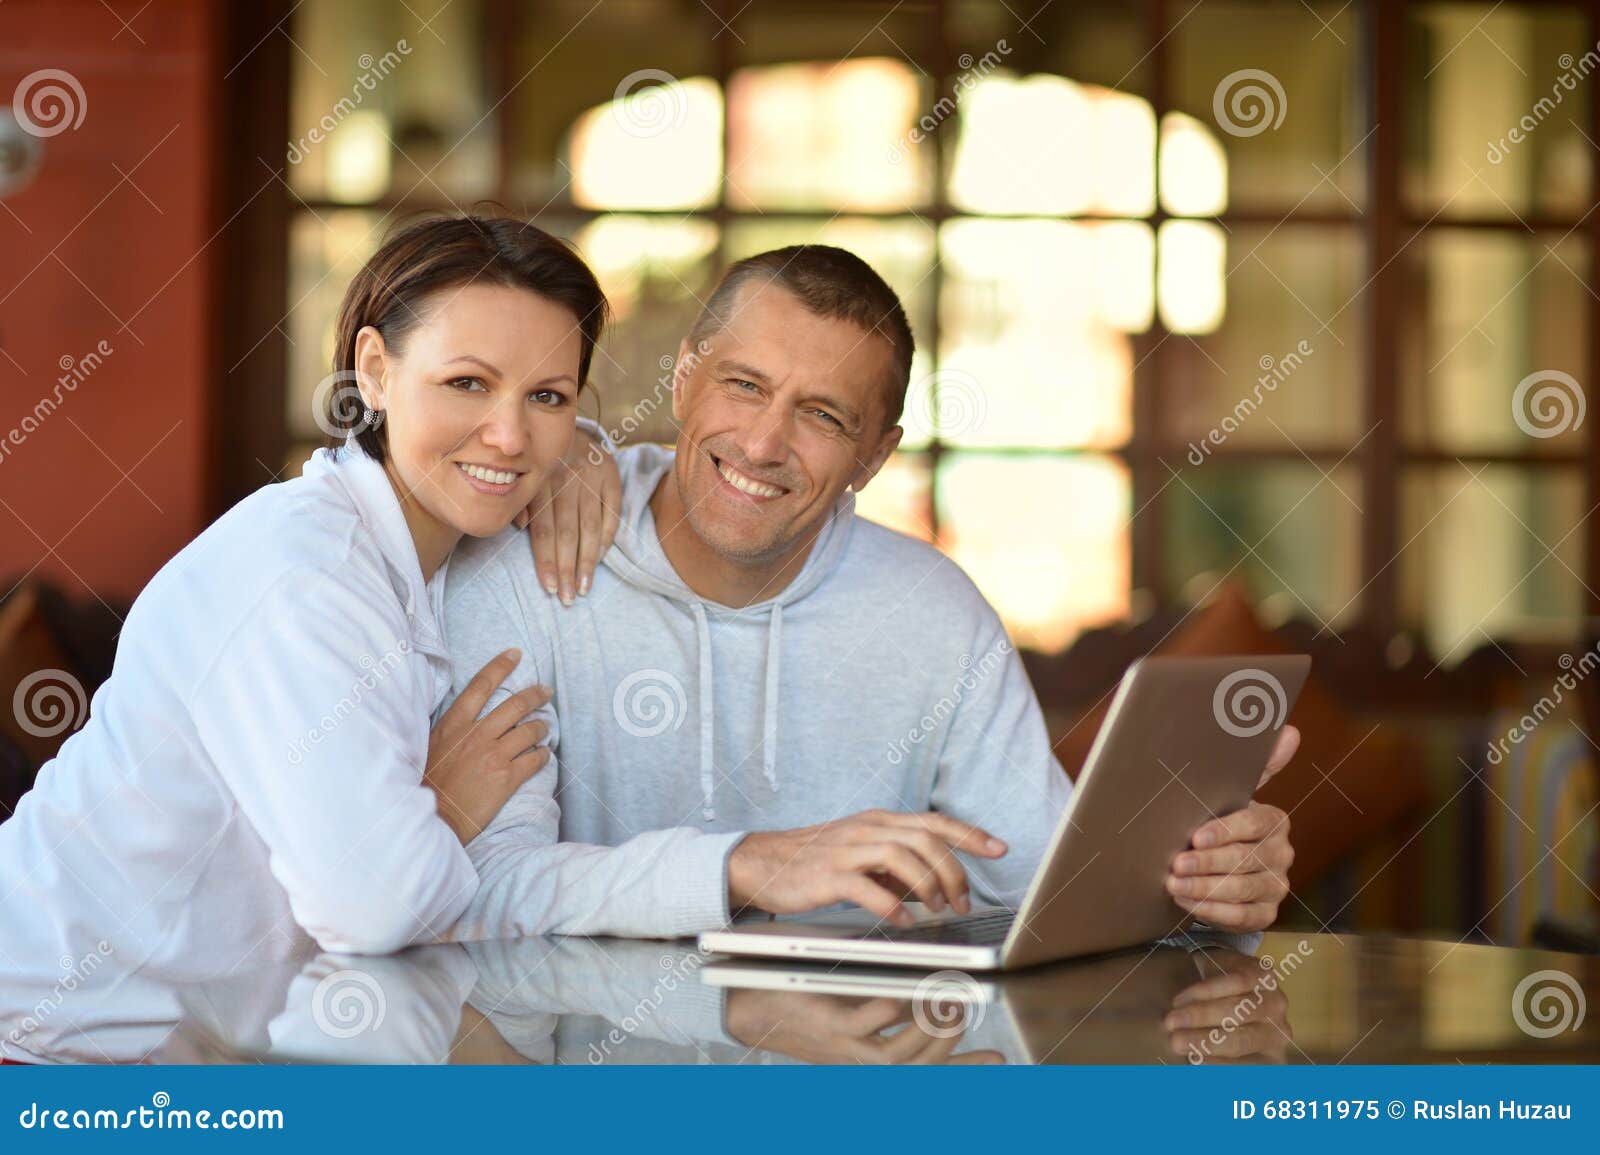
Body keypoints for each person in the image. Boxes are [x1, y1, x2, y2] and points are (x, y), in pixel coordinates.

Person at [442, 244, 1299, 941]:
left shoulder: (936, 612)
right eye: (744, 385)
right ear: (683, 379)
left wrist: (1197, 891)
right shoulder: (523, 561)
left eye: (823, 415)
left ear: (876, 455)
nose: (764, 443)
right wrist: (743, 865)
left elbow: (1045, 897)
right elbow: (476, 885)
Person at [0, 214, 618, 995]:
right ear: (375, 370)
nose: (510, 435)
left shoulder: (428, 549)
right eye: (467, 382)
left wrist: (587, 449)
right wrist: (443, 805)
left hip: (214, 1038)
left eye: (548, 396)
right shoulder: (307, 573)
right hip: (49, 1033)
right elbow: (374, 908)